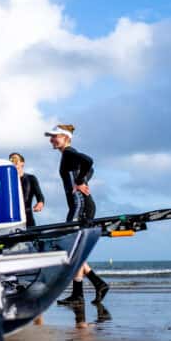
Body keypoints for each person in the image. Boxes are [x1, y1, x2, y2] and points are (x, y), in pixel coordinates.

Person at [46, 124, 110, 305]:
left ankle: (88, 288)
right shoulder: (67, 155)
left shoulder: (69, 152)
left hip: (80, 206)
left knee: (69, 248)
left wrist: (81, 180)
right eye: (51, 137)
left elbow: (89, 161)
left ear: (66, 137)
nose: (52, 139)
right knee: (75, 250)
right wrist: (84, 179)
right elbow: (90, 169)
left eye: (55, 136)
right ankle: (86, 290)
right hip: (78, 206)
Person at [8, 152, 45, 228]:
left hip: (27, 216)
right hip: (12, 218)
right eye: (11, 160)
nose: (13, 161)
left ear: (22, 163)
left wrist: (40, 203)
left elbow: (39, 194)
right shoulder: (7, 180)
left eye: (15, 159)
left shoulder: (31, 178)